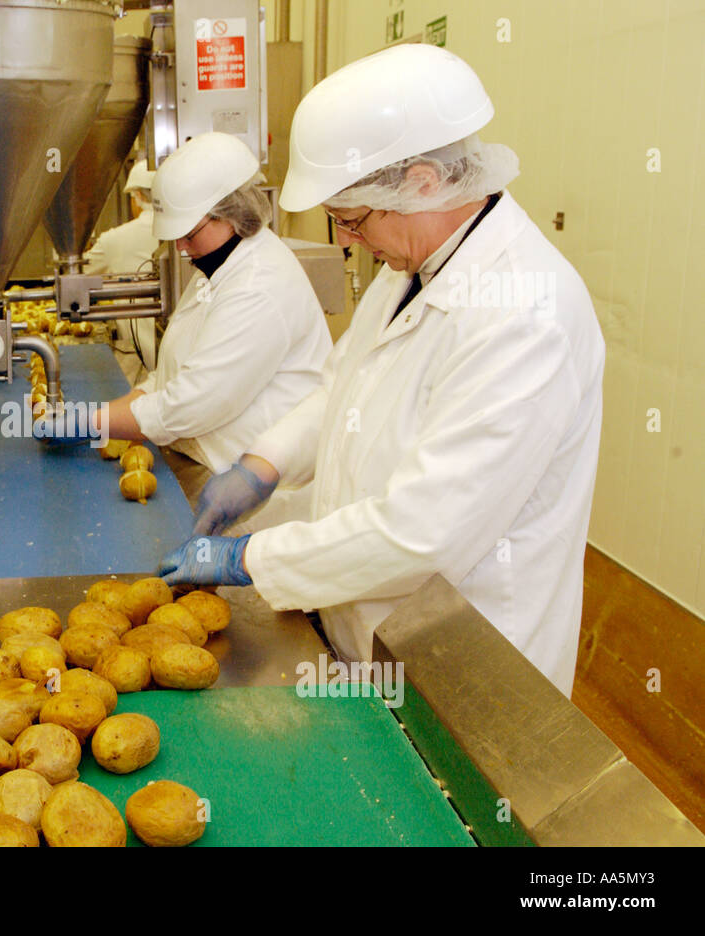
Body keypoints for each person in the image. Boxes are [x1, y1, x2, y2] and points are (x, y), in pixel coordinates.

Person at [159, 44, 605, 696]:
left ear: (423, 181)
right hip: (368, 626)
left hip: (467, 660)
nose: (345, 241)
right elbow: (344, 388)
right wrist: (265, 464)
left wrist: (251, 557)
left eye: (353, 219)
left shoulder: (527, 313)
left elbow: (424, 532)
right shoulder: (414, 268)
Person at [41, 132, 332, 478]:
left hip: (252, 490)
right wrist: (101, 416)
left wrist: (90, 422)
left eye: (189, 235)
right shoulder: (221, 266)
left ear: (231, 214)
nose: (180, 248)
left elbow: (191, 404)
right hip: (206, 459)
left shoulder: (258, 286)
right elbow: (171, 382)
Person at [83, 159, 160, 367]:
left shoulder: (114, 240)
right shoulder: (184, 232)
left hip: (141, 356)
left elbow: (77, 276)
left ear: (138, 197)